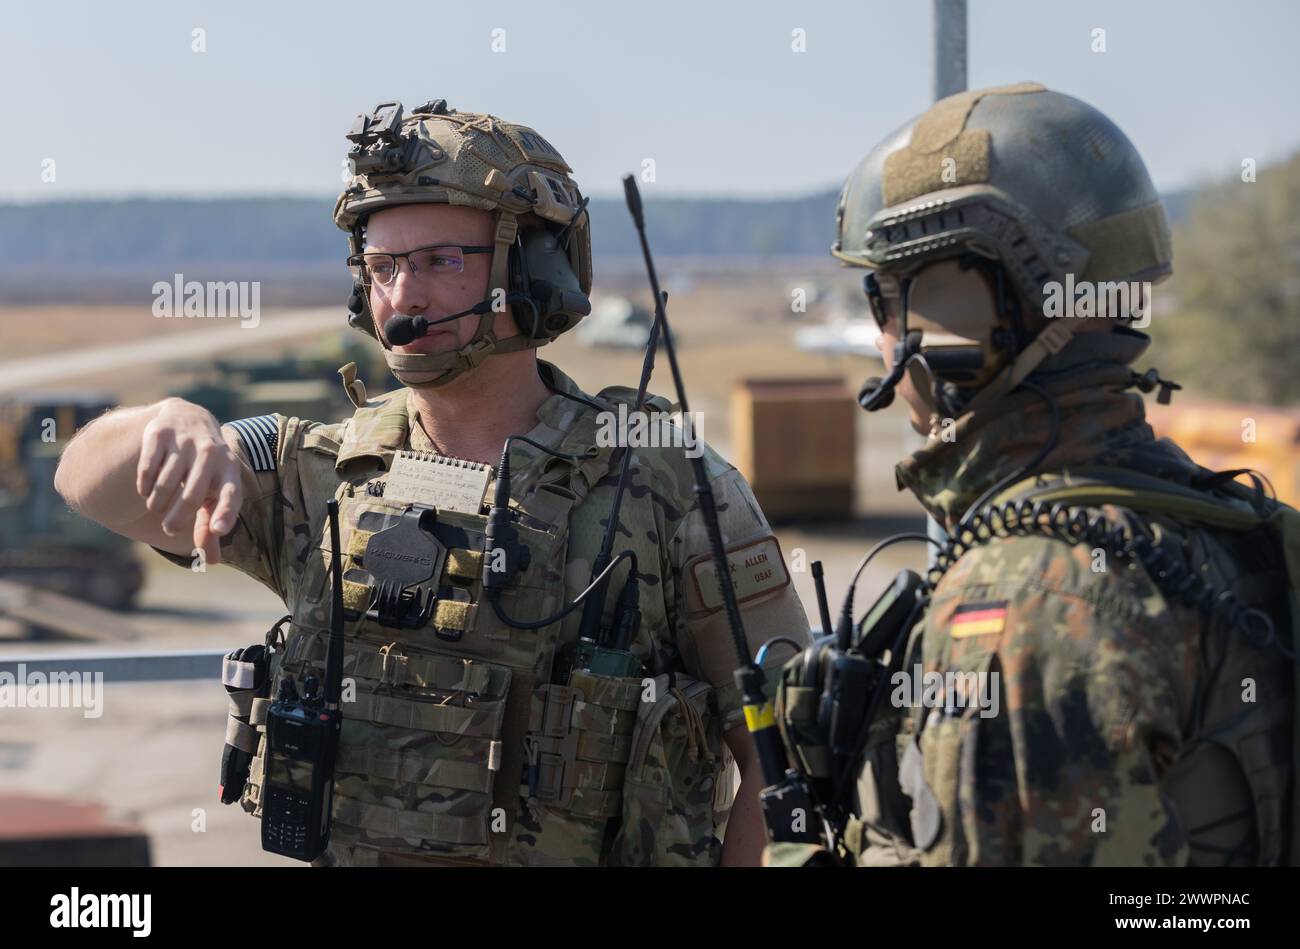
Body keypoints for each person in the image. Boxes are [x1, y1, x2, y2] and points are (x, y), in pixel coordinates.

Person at [55, 100, 811, 867]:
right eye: (382, 267)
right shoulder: (320, 473)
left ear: (534, 267)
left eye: (441, 262)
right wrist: (171, 421)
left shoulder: (662, 484)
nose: (403, 297)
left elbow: (784, 741)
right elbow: (85, 482)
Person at [769, 82, 1295, 866]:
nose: (883, 336)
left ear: (965, 314)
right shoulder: (1240, 527)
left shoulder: (1025, 598)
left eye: (885, 299)